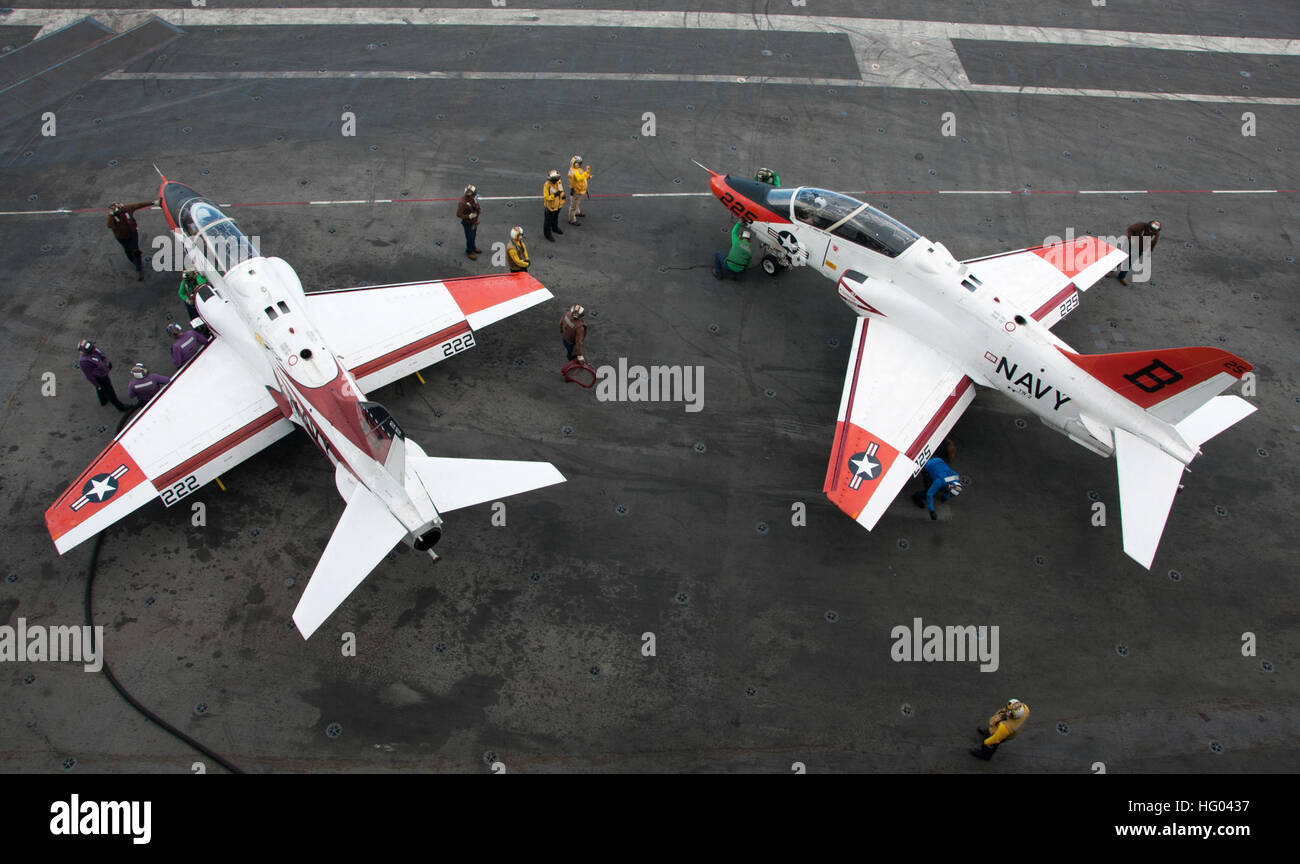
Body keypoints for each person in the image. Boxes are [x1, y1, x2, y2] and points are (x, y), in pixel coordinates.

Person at [106, 200, 154, 280]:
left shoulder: (127, 209)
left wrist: (152, 202)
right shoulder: (112, 218)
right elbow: (109, 225)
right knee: (128, 250)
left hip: (132, 234)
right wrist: (111, 215)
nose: (120, 210)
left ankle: (139, 269)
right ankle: (135, 262)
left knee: (135, 251)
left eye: (120, 207)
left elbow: (139, 204)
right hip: (121, 237)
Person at [77, 340, 128, 412]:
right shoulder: (84, 361)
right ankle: (121, 407)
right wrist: (97, 385)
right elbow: (89, 375)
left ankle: (103, 401)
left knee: (101, 390)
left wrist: (106, 362)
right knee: (109, 392)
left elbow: (102, 355)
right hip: (99, 377)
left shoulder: (94, 350)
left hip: (102, 373)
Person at [911, 454, 962, 519]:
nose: (950, 495)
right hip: (927, 468)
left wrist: (945, 496)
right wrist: (931, 511)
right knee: (928, 491)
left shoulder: (956, 477)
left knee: (940, 487)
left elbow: (947, 487)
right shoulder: (940, 482)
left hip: (938, 461)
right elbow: (930, 494)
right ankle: (916, 496)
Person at [1116, 219, 1161, 285]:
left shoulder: (1156, 234)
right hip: (1130, 244)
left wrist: (1149, 251)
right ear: (1149, 226)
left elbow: (1154, 243)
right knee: (1121, 256)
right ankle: (1111, 270)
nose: (1150, 231)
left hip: (1140, 249)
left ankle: (1121, 276)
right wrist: (1131, 238)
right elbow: (1130, 229)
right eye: (1150, 229)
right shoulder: (1141, 226)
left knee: (1130, 262)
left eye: (1153, 231)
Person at [456, 184, 482, 260]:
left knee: (473, 235)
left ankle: (473, 247)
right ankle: (469, 251)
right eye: (473, 195)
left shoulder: (473, 198)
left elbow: (476, 204)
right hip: (468, 222)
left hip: (474, 221)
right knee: (469, 237)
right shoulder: (462, 203)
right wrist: (469, 216)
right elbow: (458, 214)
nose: (474, 196)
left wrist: (478, 208)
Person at [567, 155, 592, 225]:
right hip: (576, 191)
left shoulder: (578, 169)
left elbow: (582, 174)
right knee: (573, 206)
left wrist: (588, 176)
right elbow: (579, 178)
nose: (580, 165)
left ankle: (577, 212)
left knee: (577, 203)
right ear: (574, 163)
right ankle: (572, 220)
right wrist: (587, 172)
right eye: (579, 163)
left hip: (579, 190)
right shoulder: (573, 172)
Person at [542, 170, 566, 241]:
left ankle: (555, 228)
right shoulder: (547, 185)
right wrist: (554, 195)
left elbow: (561, 190)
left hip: (558, 205)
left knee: (555, 218)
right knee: (548, 222)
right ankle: (547, 234)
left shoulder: (559, 181)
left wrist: (562, 195)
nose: (555, 182)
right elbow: (546, 197)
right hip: (550, 207)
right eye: (554, 180)